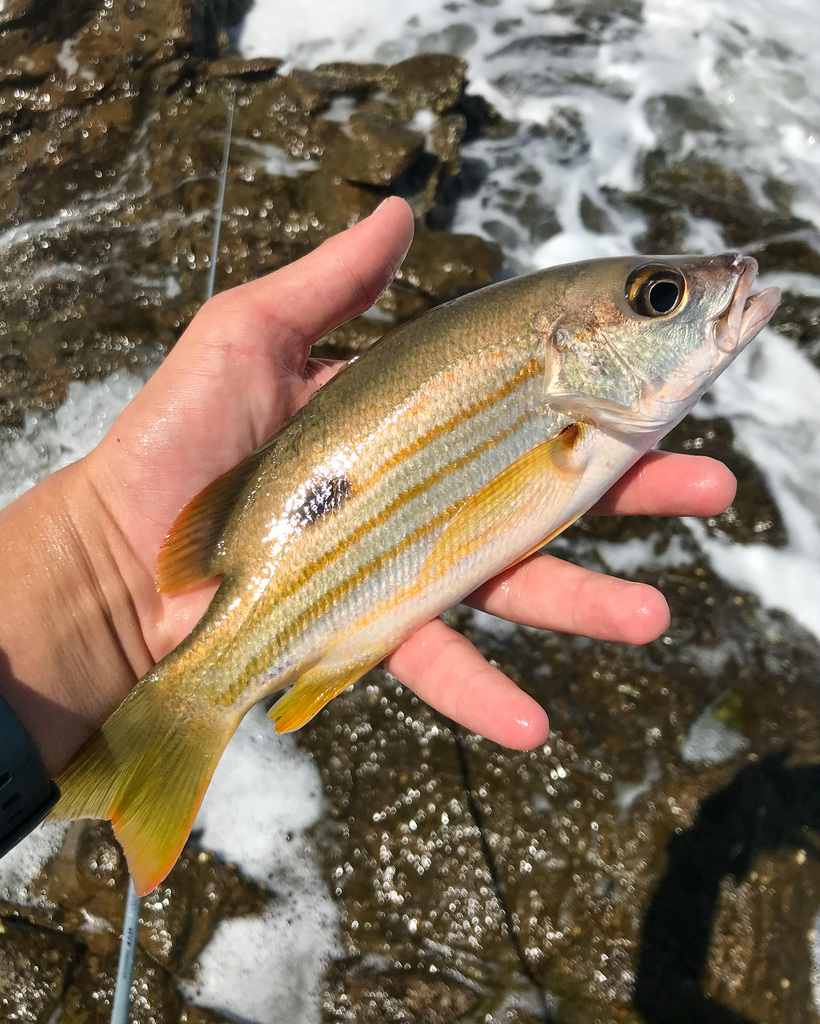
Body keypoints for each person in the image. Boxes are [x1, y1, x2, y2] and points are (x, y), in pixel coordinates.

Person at [0, 197, 735, 785]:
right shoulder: (581, 424)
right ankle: (184, 717)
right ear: (568, 346)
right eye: (661, 297)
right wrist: (97, 549)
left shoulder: (586, 423)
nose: (724, 283)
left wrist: (94, 559)